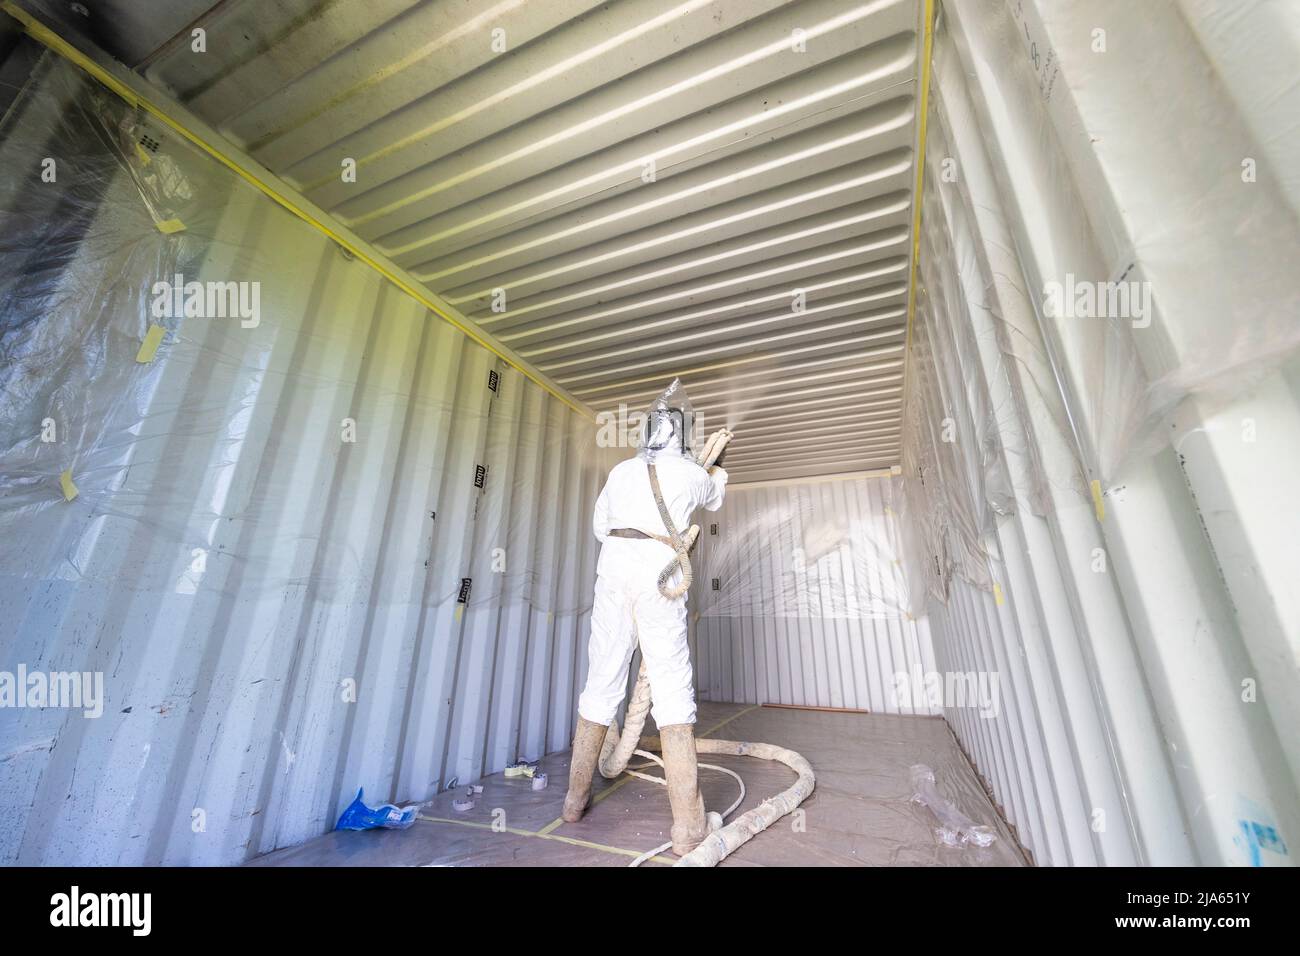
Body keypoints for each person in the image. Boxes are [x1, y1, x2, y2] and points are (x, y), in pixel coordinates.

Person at [561, 380, 728, 856]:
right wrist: (718, 468)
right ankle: (689, 829)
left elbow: (599, 527)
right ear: (684, 434)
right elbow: (714, 497)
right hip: (659, 574)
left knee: (602, 681)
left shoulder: (619, 472)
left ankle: (574, 801)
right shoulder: (688, 472)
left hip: (613, 573)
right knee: (672, 688)